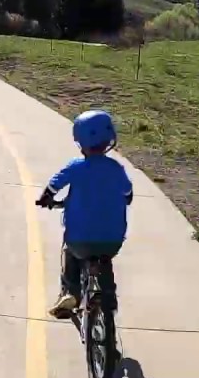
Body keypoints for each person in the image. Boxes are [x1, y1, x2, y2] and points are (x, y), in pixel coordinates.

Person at [36, 109, 133, 319]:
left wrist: (46, 199)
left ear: (79, 140)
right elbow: (128, 194)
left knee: (70, 252)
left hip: (79, 240)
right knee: (104, 257)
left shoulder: (76, 167)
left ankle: (70, 293)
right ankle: (109, 297)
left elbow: (53, 186)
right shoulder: (116, 168)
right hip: (113, 239)